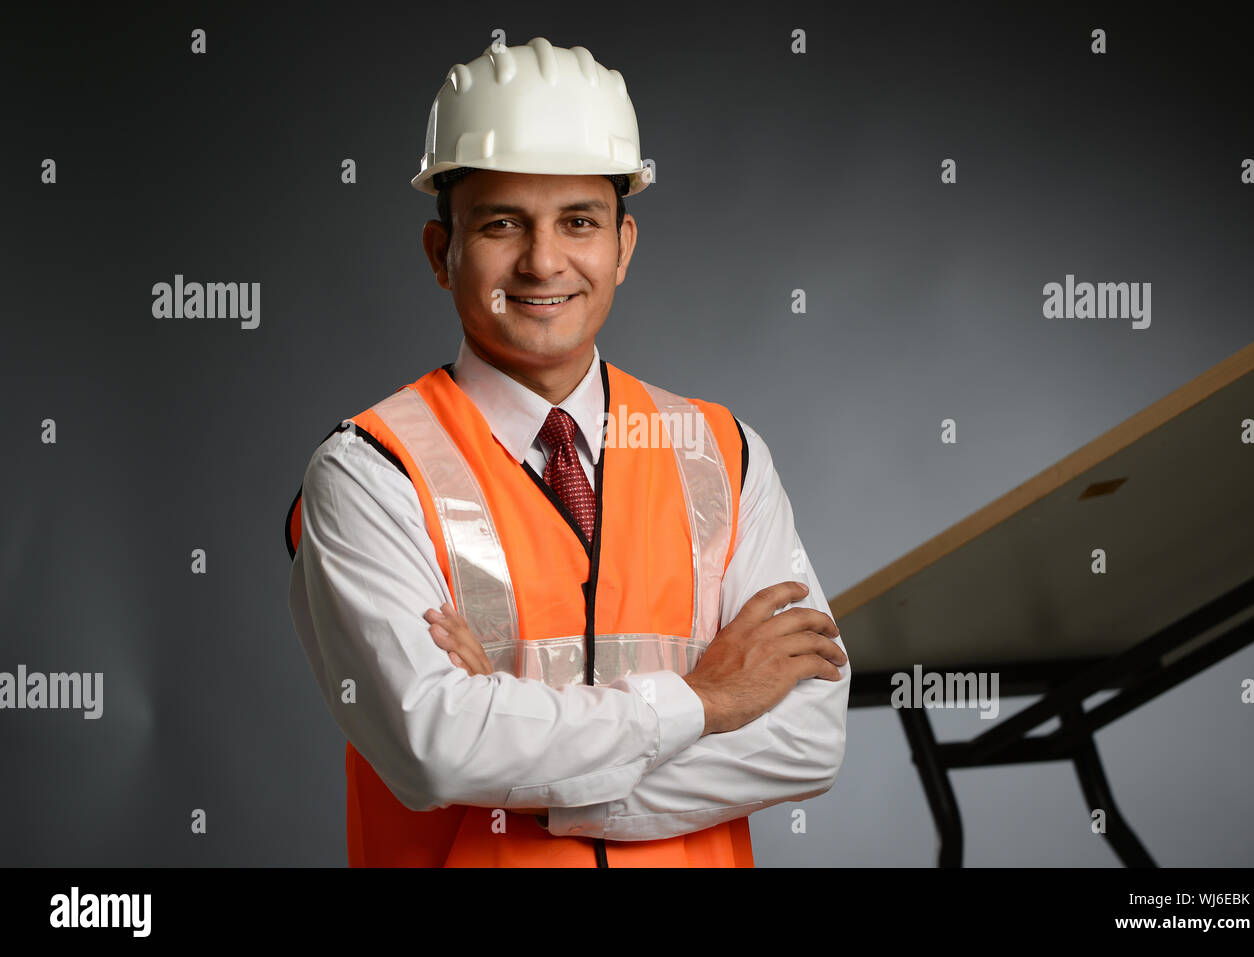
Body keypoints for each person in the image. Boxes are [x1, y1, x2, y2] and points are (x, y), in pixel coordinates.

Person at [285, 36, 849, 867]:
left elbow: (808, 735)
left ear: (622, 246)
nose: (543, 260)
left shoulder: (721, 452)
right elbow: (434, 748)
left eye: (577, 221)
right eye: (502, 223)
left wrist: (538, 765)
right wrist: (708, 698)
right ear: (443, 255)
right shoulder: (370, 472)